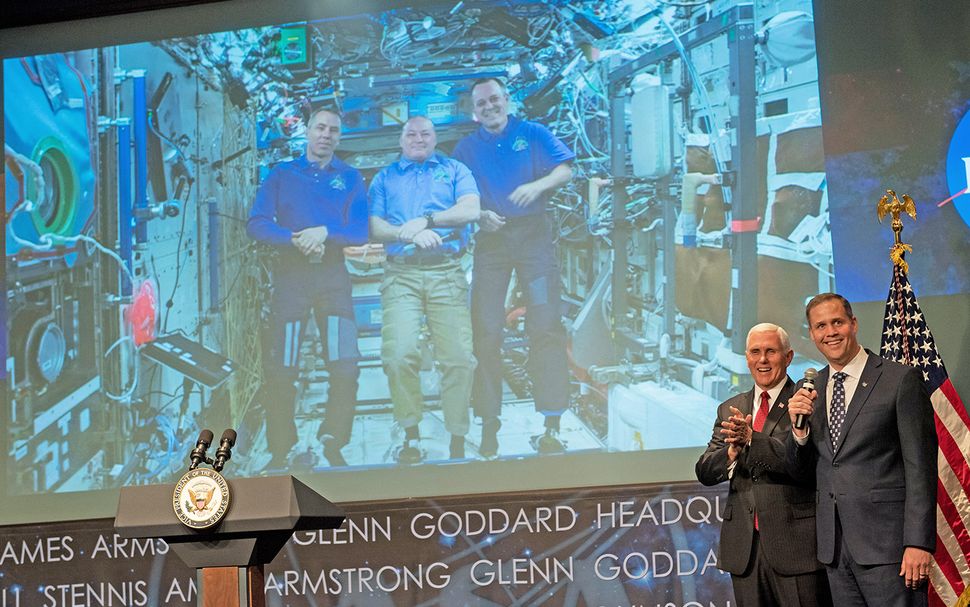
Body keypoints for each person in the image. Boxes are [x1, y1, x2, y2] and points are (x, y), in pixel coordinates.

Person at [787, 293, 937, 606]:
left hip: (890, 549)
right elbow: (807, 471)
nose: (830, 332)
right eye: (820, 326)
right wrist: (799, 432)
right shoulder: (811, 389)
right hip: (835, 551)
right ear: (812, 334)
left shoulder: (899, 379)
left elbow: (920, 468)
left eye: (837, 322)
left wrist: (918, 543)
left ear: (853, 324)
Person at [452, 77, 574, 457]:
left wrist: (538, 186)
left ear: (507, 99)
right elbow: (459, 196)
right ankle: (489, 423)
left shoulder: (533, 133)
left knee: (545, 324)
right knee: (485, 329)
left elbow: (565, 169)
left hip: (533, 240)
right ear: (475, 110)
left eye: (494, 99)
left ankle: (552, 423)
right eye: (481, 103)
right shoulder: (466, 148)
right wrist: (479, 215)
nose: (489, 107)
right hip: (492, 243)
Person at [247, 107, 367, 469]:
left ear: (338, 138)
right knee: (282, 369)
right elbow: (257, 224)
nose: (326, 135)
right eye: (320, 128)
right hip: (292, 281)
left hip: (332, 281)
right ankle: (281, 447)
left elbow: (360, 231)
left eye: (333, 130)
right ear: (308, 132)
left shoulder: (350, 178)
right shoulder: (282, 174)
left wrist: (325, 233)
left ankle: (334, 438)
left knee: (345, 365)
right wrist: (294, 239)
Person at [369, 116, 480, 463]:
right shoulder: (384, 178)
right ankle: (411, 434)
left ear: (435, 138)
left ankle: (457, 435)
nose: (418, 138)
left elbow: (470, 209)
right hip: (401, 276)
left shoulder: (455, 170)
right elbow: (374, 225)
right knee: (400, 355)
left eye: (425, 133)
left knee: (459, 359)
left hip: (446, 272)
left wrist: (429, 221)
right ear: (401, 140)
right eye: (411, 134)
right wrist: (409, 233)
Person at [696, 323, 831, 606]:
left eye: (771, 351)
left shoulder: (808, 401)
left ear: (789, 357)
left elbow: (801, 465)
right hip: (745, 551)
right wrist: (732, 451)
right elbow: (705, 471)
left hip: (796, 547)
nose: (763, 360)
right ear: (746, 358)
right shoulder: (730, 407)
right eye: (755, 352)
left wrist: (751, 439)